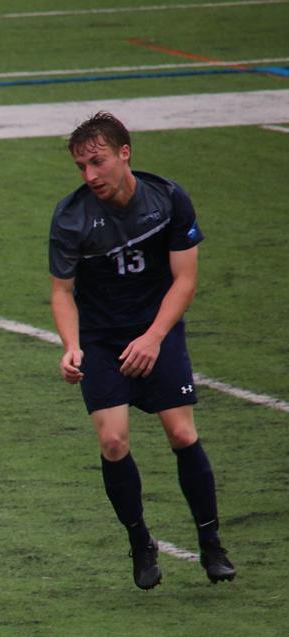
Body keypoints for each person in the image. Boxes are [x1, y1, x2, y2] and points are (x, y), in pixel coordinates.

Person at [49, 111, 236, 589]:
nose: (90, 176)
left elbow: (186, 280)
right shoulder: (71, 217)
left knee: (180, 433)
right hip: (102, 339)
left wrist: (153, 337)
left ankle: (211, 542)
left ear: (124, 153)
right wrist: (71, 347)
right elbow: (61, 292)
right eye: (81, 167)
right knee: (113, 442)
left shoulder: (168, 198)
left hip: (158, 329)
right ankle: (140, 542)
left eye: (97, 162)